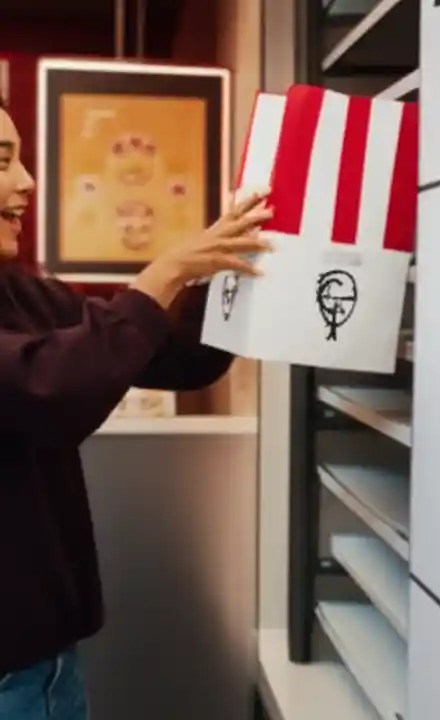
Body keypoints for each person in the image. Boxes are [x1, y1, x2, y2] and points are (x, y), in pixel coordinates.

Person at [0, 100, 271, 719]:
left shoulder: (23, 294)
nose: (27, 182)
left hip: (50, 671)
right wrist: (168, 270)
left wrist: (235, 268)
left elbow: (176, 357)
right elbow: (53, 388)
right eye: (1, 161)